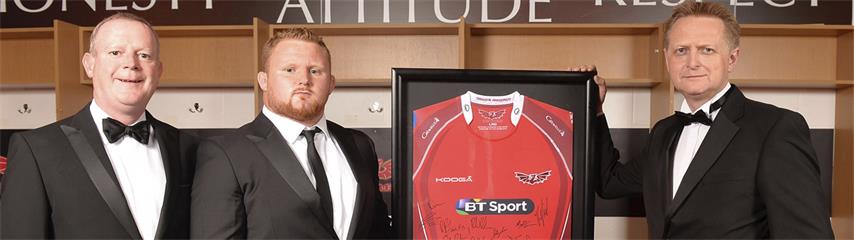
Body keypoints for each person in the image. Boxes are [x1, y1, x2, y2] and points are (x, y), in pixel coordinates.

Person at [583, 1, 835, 238]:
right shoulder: (663, 132)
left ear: (732, 59)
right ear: (667, 59)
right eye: (681, 51)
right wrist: (595, 111)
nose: (692, 63)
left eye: (707, 50)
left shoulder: (775, 128)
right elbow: (610, 183)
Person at [1, 13, 197, 239]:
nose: (131, 64)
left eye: (144, 55)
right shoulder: (36, 150)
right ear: (89, 65)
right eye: (116, 53)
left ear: (159, 71)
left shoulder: (188, 148)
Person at [191, 28, 392, 239]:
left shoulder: (360, 146)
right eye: (289, 70)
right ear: (263, 80)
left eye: (315, 71)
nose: (304, 80)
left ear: (331, 83)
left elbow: (378, 232)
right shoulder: (227, 153)